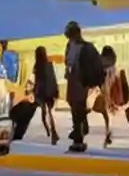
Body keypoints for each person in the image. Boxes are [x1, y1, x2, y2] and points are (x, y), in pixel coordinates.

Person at [63, 21, 100, 153]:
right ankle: (81, 130)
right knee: (77, 107)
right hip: (78, 80)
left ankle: (78, 138)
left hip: (78, 80)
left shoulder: (79, 47)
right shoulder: (84, 46)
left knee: (77, 109)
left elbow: (69, 62)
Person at [32, 46, 59, 146]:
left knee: (44, 115)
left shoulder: (37, 66)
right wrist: (56, 90)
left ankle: (50, 132)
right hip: (50, 91)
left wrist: (35, 91)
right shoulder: (49, 65)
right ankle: (53, 132)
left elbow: (37, 81)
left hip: (42, 92)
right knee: (50, 114)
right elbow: (53, 78)